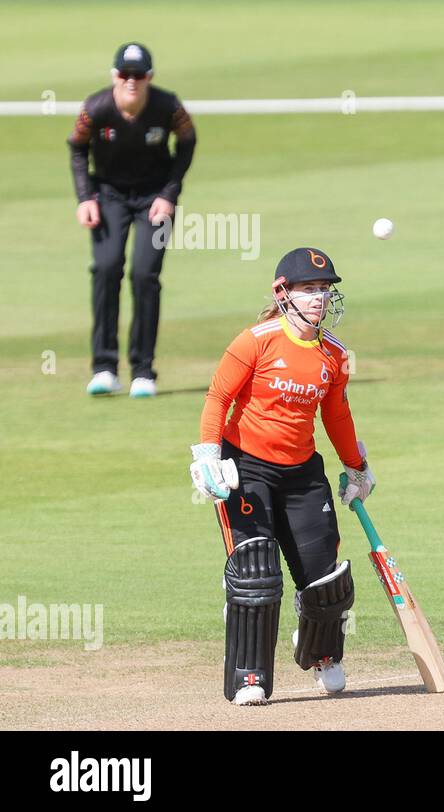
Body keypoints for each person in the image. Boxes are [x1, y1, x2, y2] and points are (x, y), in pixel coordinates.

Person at [189, 247, 376, 705]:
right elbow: (218, 397)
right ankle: (249, 676)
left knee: (324, 579)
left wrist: (357, 467)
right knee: (256, 574)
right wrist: (209, 455)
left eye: (324, 290)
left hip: (302, 474)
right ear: (283, 292)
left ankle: (323, 655)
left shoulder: (333, 354)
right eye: (309, 290)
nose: (318, 299)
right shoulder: (255, 340)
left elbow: (336, 413)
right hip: (247, 467)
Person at [70, 42, 197, 398]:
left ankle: (143, 372)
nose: (131, 81)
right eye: (125, 74)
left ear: (149, 77)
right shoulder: (95, 108)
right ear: (115, 76)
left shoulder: (168, 106)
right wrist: (85, 198)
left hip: (154, 197)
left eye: (138, 75)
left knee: (144, 275)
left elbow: (187, 142)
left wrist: (169, 194)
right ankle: (104, 368)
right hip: (108, 195)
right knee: (107, 269)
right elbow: (77, 148)